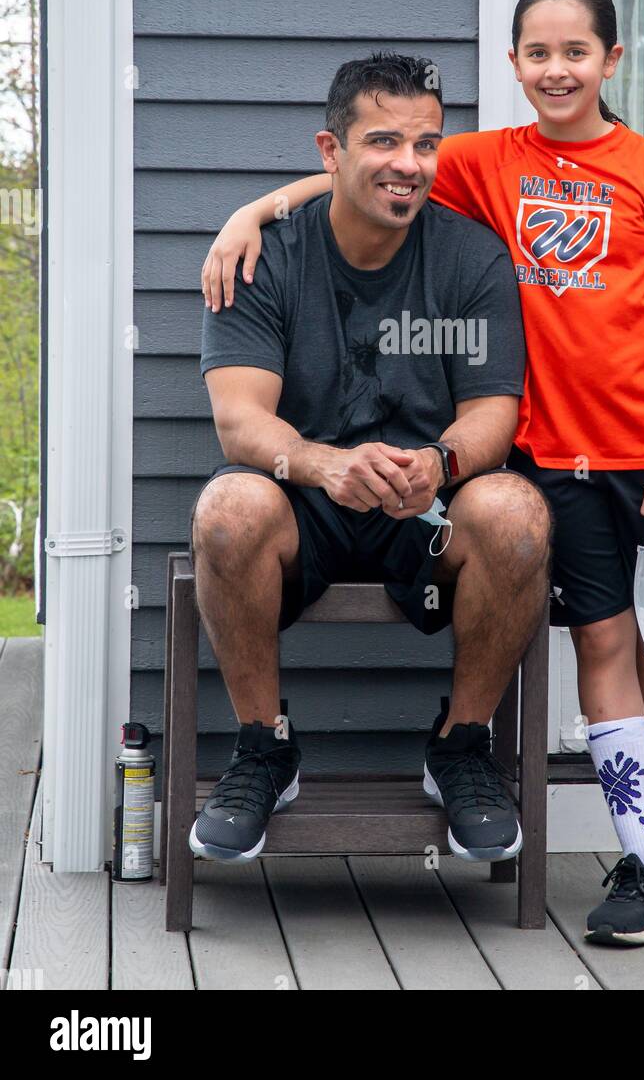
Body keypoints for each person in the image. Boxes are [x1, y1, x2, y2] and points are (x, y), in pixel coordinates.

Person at [201, 0, 644, 946]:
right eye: (535, 53)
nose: (555, 69)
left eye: (576, 52)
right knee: (606, 645)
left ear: (612, 61)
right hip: (533, 461)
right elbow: (362, 183)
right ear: (512, 64)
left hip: (637, 458)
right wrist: (256, 209)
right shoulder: (485, 164)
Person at [187, 51, 552, 869]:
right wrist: (323, 466)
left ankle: (461, 747)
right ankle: (264, 747)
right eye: (384, 141)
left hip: (420, 510)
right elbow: (240, 421)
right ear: (331, 151)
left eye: (426, 146)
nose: (408, 164)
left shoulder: (471, 257)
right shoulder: (266, 256)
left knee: (518, 513)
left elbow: (495, 411)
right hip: (304, 505)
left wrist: (440, 463)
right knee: (228, 507)